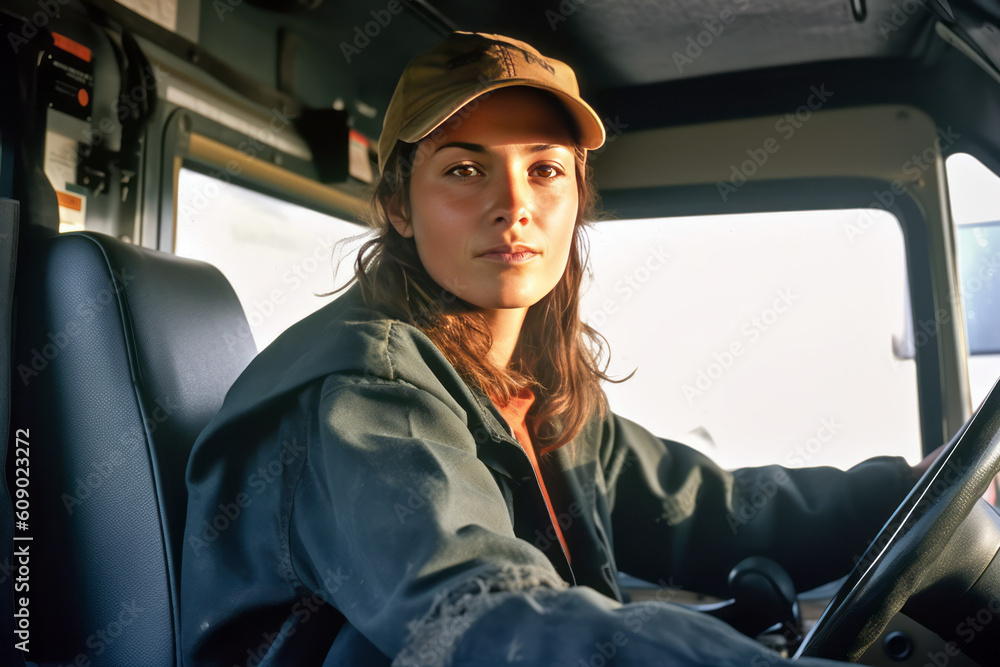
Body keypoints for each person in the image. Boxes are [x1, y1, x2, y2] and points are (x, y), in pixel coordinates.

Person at [180, 31, 930, 666]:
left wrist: (909, 489)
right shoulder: (362, 396)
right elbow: (485, 614)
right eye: (465, 170)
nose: (515, 206)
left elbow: (709, 512)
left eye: (545, 170)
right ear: (397, 207)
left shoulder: (527, 385)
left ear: (576, 199)